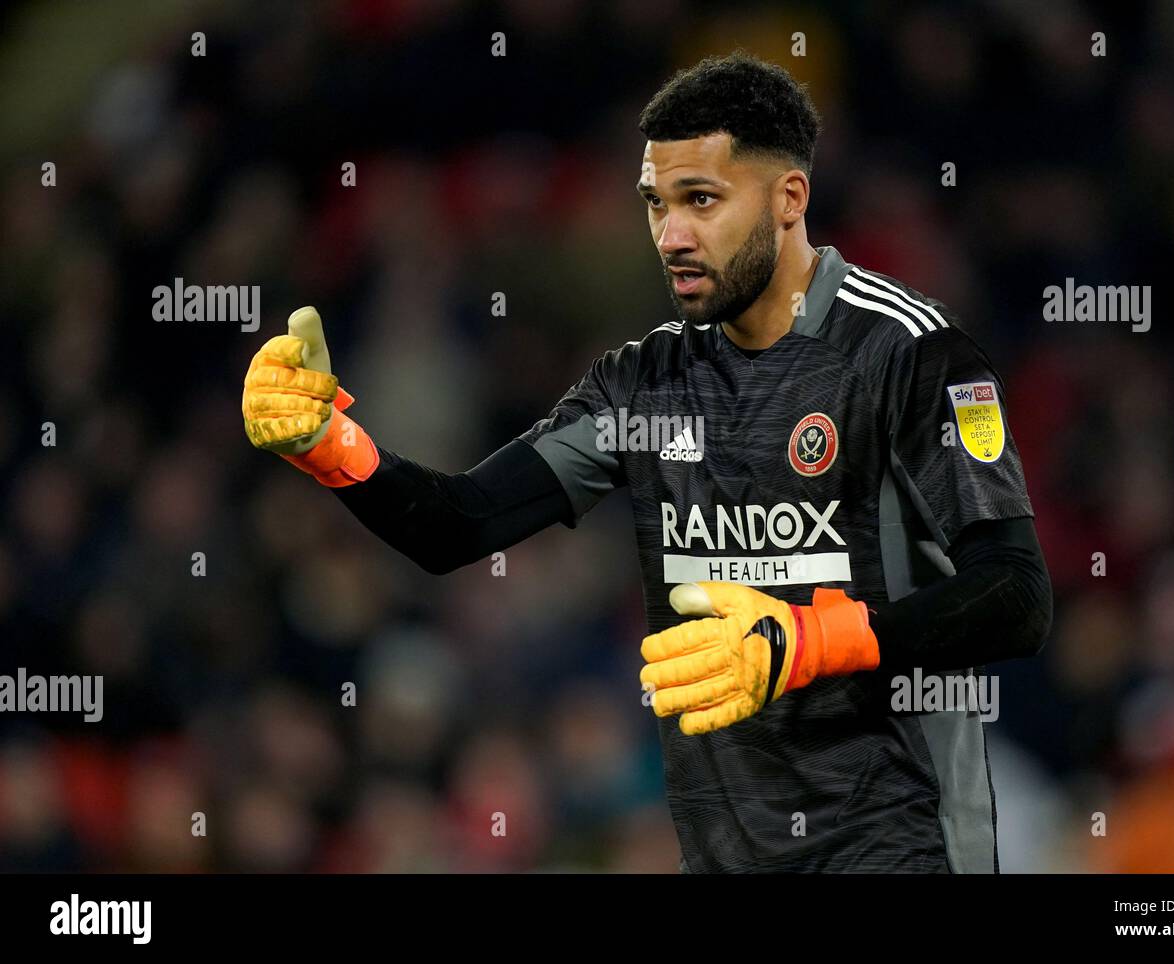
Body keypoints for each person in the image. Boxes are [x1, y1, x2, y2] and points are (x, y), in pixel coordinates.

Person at [242, 50, 1052, 873]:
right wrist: (330, 447)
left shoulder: (911, 354)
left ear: (788, 199)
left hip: (903, 848)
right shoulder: (644, 384)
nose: (671, 235)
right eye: (656, 204)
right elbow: (458, 524)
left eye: (700, 200)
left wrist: (812, 642)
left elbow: (1016, 594)